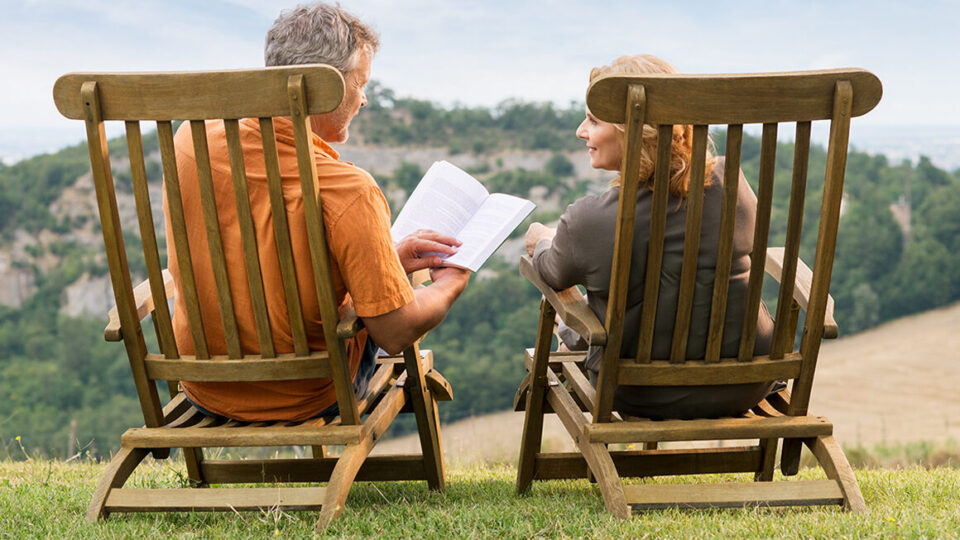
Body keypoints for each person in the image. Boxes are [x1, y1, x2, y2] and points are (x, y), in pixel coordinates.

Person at [164, 2, 470, 422]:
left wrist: (385, 261)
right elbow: (396, 332)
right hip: (308, 391)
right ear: (327, 88)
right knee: (396, 312)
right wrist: (451, 284)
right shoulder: (348, 190)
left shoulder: (191, 143)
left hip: (205, 384)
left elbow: (263, 257)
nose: (363, 100)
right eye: (361, 84)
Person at [524, 54, 776, 420]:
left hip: (639, 392)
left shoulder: (588, 220)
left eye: (593, 120)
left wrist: (542, 239)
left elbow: (551, 272)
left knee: (575, 321)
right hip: (747, 384)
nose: (581, 131)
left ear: (633, 130)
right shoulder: (732, 184)